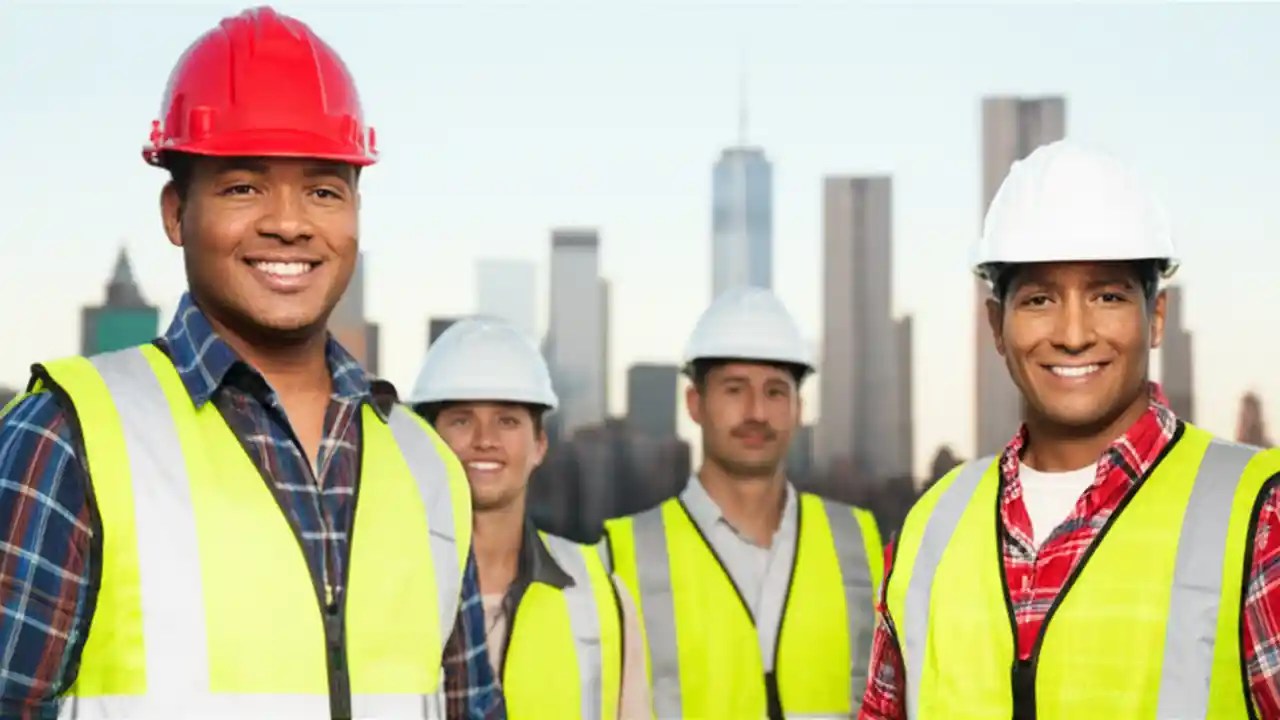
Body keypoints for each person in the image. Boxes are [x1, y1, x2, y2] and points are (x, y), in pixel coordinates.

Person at [0, 7, 504, 719]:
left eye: (324, 190)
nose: (289, 221)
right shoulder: (67, 436)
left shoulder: (427, 466)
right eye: (244, 187)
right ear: (176, 212)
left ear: (356, 211)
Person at [859, 139, 1280, 718]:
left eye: (1107, 295)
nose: (1074, 333)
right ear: (996, 326)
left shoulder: (1261, 512)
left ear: (1155, 318)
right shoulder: (930, 527)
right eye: (1038, 299)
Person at [599, 287, 884, 719]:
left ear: (798, 408)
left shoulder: (861, 546)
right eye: (735, 390)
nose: (756, 412)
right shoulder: (621, 556)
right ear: (695, 404)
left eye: (774, 392)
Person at [407, 317, 653, 719]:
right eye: (462, 420)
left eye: (507, 421)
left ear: (540, 444)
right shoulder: (382, 588)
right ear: (429, 439)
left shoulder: (602, 596)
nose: (484, 439)